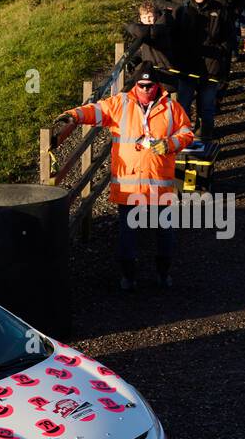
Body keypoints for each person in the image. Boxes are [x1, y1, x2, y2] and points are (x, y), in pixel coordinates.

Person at [56, 73, 195, 290]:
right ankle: (128, 277)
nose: (146, 89)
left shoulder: (171, 107)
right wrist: (73, 115)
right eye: (142, 85)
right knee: (127, 233)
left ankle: (163, 273)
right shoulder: (120, 103)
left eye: (150, 85)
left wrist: (170, 144)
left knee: (164, 231)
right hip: (130, 185)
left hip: (159, 183)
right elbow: (96, 110)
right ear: (136, 85)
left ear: (157, 85)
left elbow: (186, 133)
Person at [174, 0, 231, 140]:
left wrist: (220, 57)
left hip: (211, 66)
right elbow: (175, 38)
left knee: (206, 105)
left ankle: (205, 133)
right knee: (183, 104)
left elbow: (228, 38)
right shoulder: (182, 11)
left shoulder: (219, 10)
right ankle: (182, 136)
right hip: (187, 66)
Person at [124, 0, 177, 90]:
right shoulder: (144, 31)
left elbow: (151, 32)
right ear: (140, 18)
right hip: (150, 72)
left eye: (150, 17)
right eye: (144, 17)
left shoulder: (162, 26)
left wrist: (130, 27)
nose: (147, 20)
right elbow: (144, 50)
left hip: (164, 74)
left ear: (156, 16)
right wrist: (134, 60)